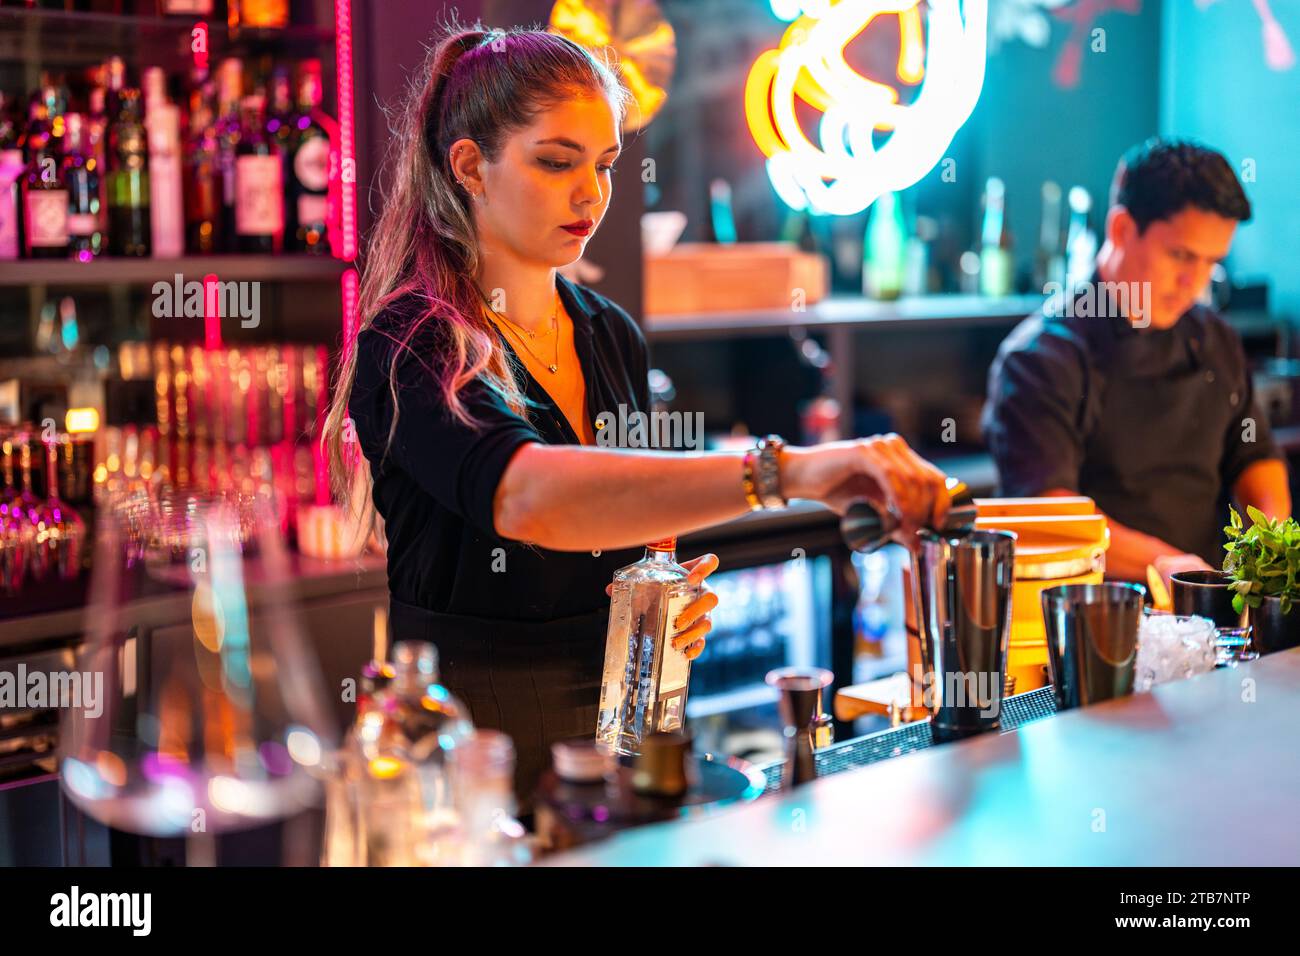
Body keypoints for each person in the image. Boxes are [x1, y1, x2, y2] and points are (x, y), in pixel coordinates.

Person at [323, 25, 952, 810]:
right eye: (557, 162)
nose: (591, 194)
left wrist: (668, 600)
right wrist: (783, 471)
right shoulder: (414, 341)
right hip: (474, 757)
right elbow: (526, 496)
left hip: (627, 741)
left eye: (606, 165)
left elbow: (641, 534)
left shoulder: (608, 333)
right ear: (470, 167)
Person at [983, 138, 1290, 587]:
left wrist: (1271, 547)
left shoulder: (1214, 337)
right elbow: (1050, 514)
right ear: (1122, 228)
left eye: (1211, 263)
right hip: (1091, 614)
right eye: (1181, 255)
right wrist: (1172, 568)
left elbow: (1254, 456)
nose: (1194, 283)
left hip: (1204, 606)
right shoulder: (1041, 357)